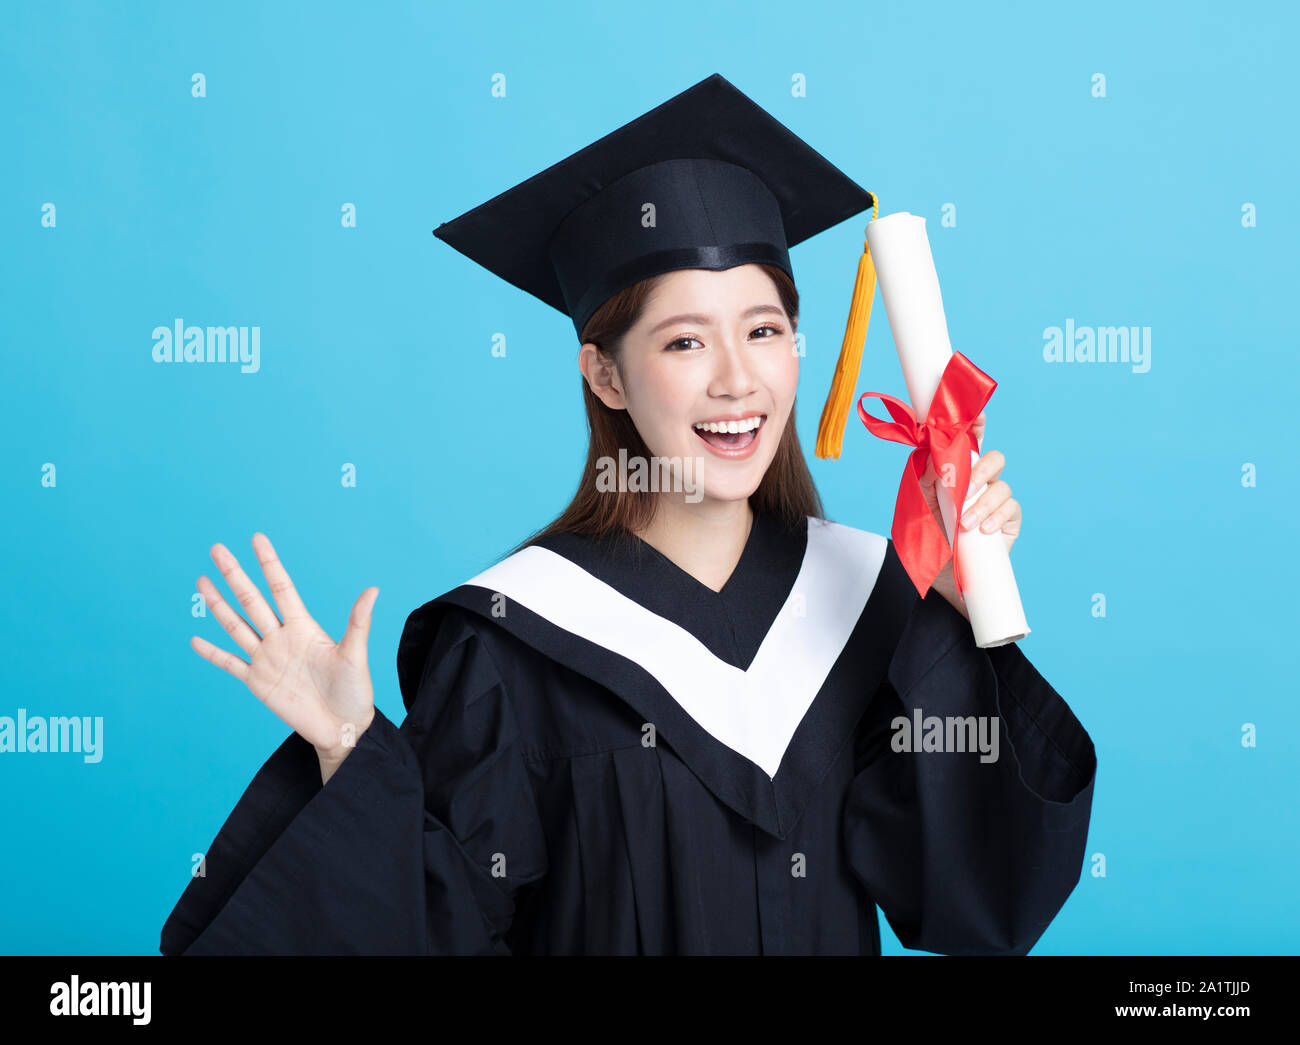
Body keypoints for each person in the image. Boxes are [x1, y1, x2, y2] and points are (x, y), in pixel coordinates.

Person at [160, 73, 1096, 956]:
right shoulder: (511, 645)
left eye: (764, 330)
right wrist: (349, 756)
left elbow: (966, 893)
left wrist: (965, 611)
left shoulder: (864, 602)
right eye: (685, 339)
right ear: (605, 373)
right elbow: (442, 928)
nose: (739, 380)